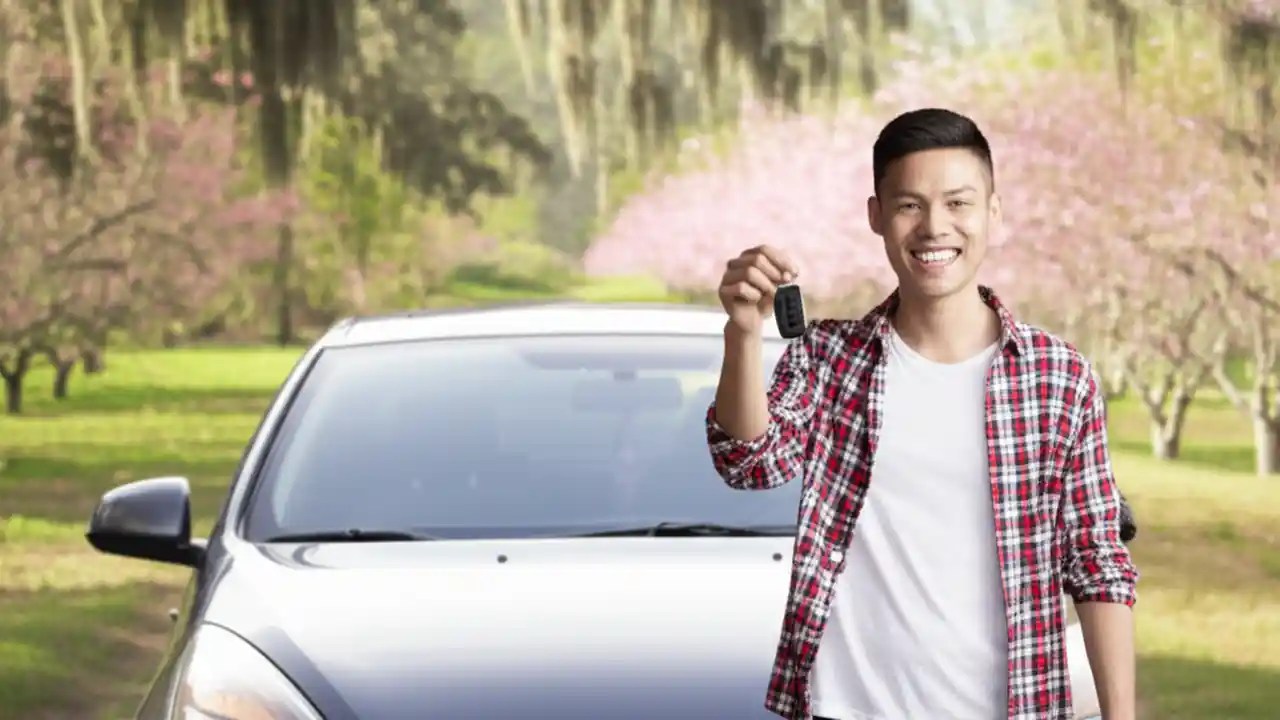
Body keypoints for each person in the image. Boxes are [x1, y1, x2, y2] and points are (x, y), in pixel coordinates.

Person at [704, 108, 1139, 720]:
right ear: (876, 216)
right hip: (845, 706)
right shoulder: (830, 358)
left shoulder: (1057, 377)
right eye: (909, 205)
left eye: (958, 203)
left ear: (993, 212)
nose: (935, 227)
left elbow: (1096, 561)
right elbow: (751, 463)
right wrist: (743, 334)